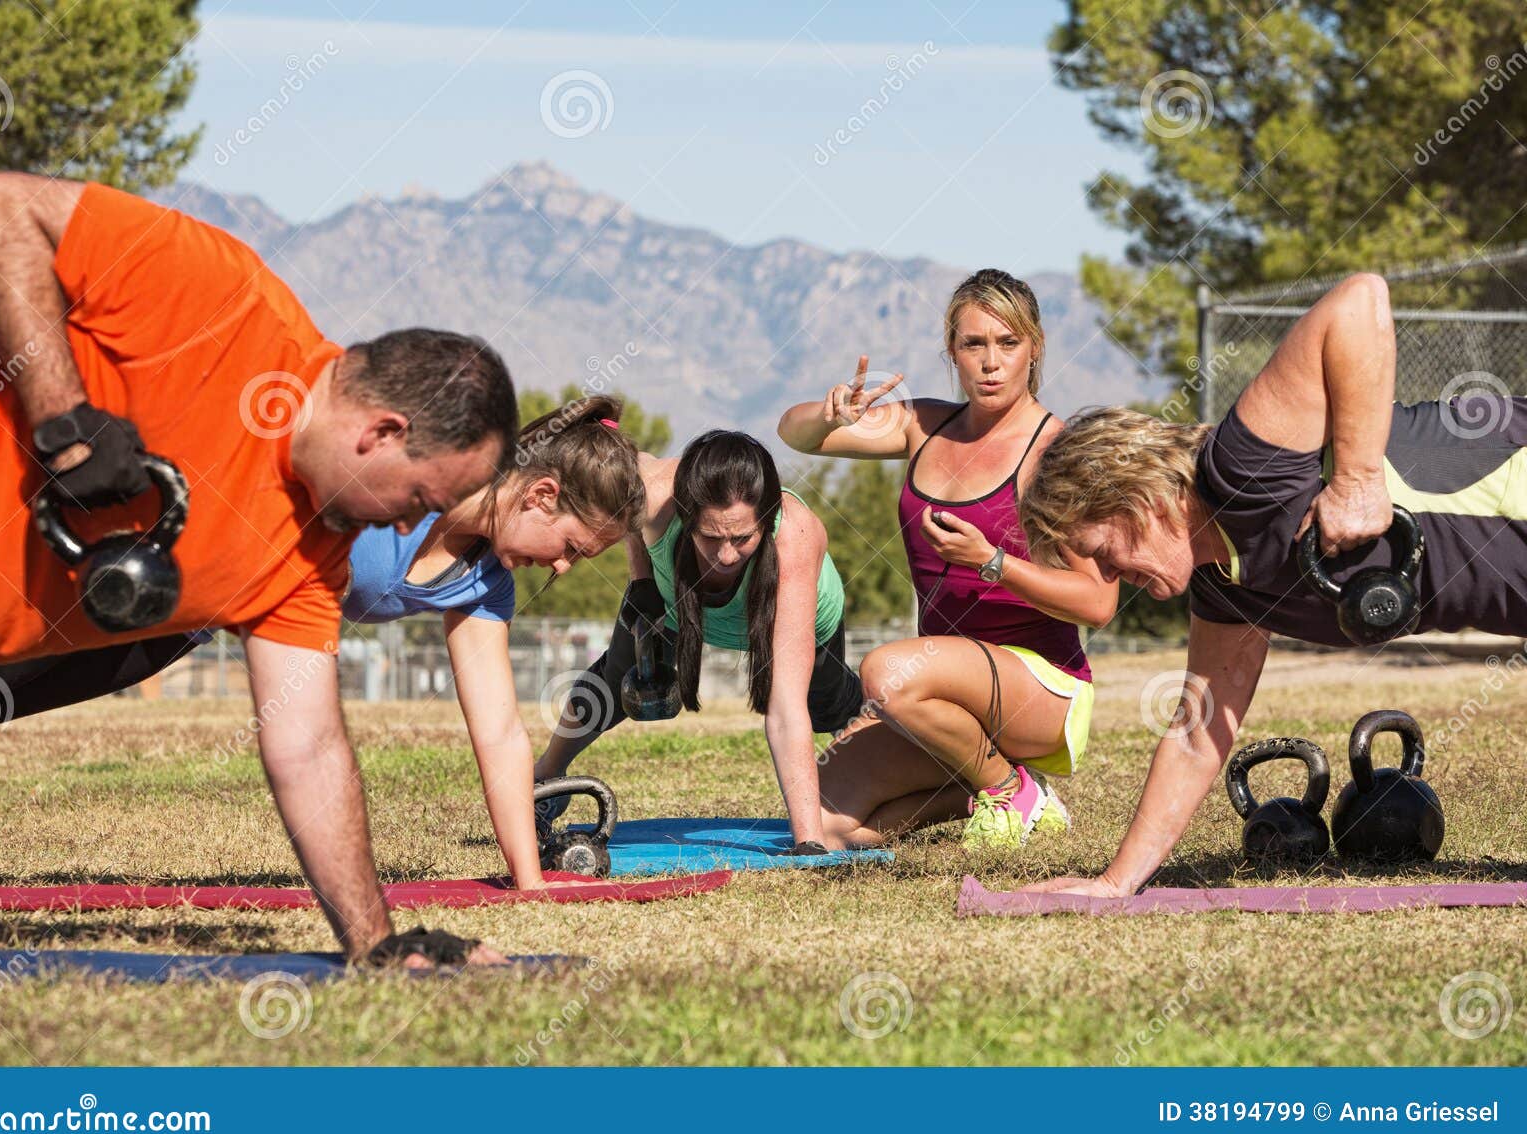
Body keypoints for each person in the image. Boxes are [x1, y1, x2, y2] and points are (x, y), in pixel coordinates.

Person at [0, 171, 519, 967]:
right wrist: (61, 418)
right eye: (420, 496)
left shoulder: (314, 554)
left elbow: (308, 745)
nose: (411, 524)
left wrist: (376, 943)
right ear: (382, 430)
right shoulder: (221, 298)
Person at [0, 396, 646, 893]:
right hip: (163, 546)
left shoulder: (483, 584)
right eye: (572, 549)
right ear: (542, 494)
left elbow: (500, 732)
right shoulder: (415, 469)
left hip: (194, 615)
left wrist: (528, 881)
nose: (561, 567)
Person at [1015, 271, 1527, 896]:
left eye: (1100, 553)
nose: (1107, 580)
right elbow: (1198, 734)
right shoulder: (1225, 588)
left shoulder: (1238, 469)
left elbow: (1359, 299)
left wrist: (1358, 478)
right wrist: (1117, 883)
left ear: (1131, 491)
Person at [778, 269, 1116, 850]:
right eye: (973, 344)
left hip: (1041, 689)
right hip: (940, 693)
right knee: (822, 820)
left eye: (1008, 344)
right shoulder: (923, 425)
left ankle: (1008, 789)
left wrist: (994, 562)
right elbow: (796, 435)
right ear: (951, 352)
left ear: (1034, 349)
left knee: (886, 672)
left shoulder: (1059, 453)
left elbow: (1099, 603)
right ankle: (1002, 792)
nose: (991, 362)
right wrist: (831, 415)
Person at [534, 430, 865, 852]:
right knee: (614, 682)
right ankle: (545, 779)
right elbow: (621, 464)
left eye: (742, 539)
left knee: (830, 709)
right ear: (687, 516)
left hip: (796, 619)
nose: (727, 557)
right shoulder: (653, 496)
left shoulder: (796, 536)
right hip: (679, 603)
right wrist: (641, 582)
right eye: (710, 537)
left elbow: (784, 708)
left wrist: (809, 842)